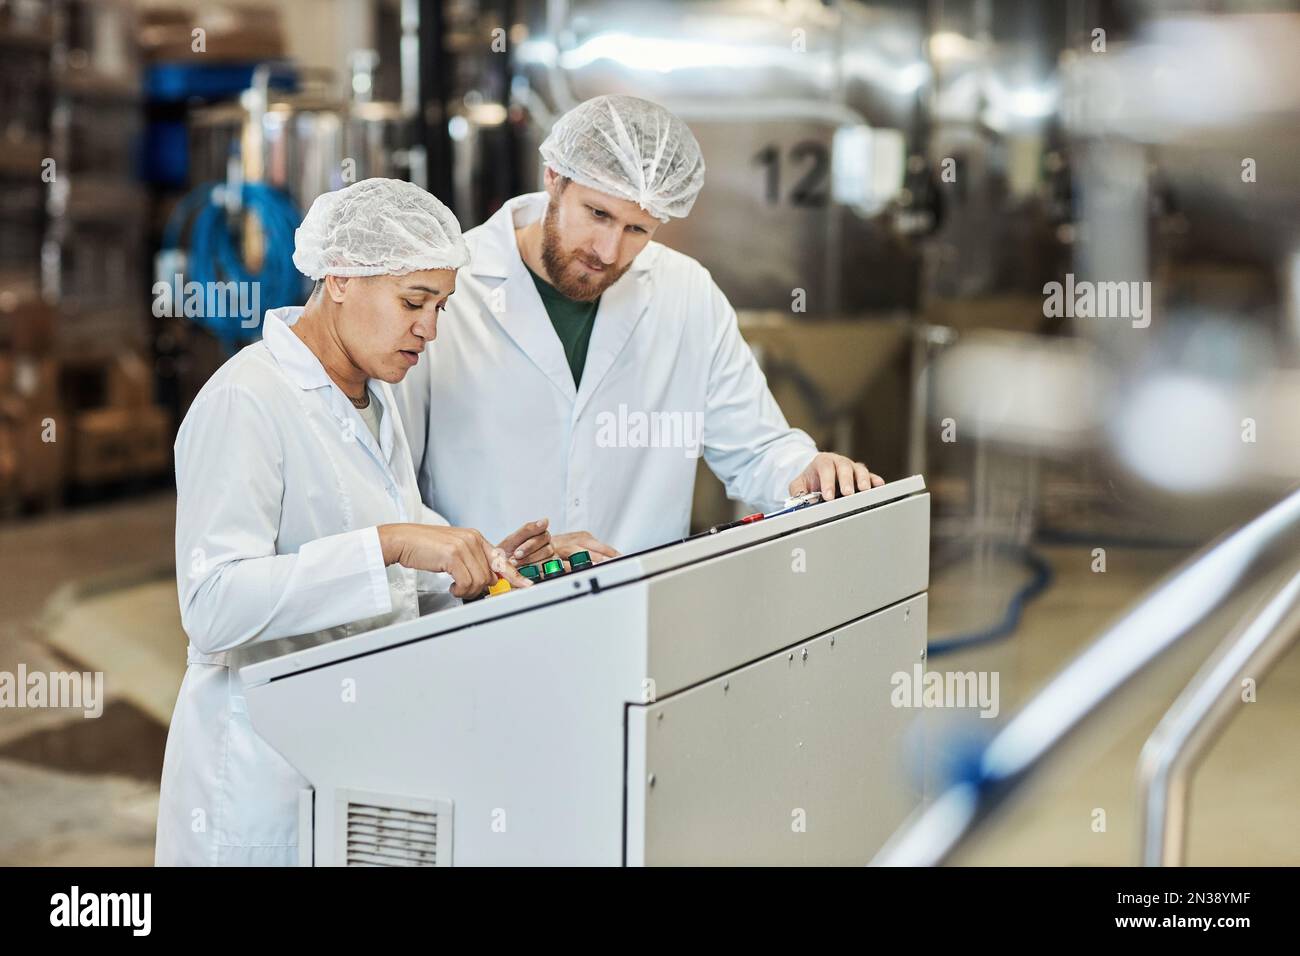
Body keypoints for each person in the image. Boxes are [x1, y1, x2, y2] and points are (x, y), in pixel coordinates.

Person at [155, 178, 548, 866]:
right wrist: (392, 546)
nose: (429, 329)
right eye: (413, 302)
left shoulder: (374, 400)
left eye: (441, 306)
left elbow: (384, 564)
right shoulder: (247, 401)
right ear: (339, 278)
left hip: (353, 756)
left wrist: (481, 562)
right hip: (257, 777)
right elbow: (212, 605)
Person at [394, 95, 884, 566]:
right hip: (475, 617)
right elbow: (393, 483)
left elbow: (756, 449)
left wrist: (805, 470)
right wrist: (484, 563)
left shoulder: (686, 292)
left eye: (637, 230)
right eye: (598, 214)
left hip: (636, 613)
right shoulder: (447, 285)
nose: (608, 252)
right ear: (554, 178)